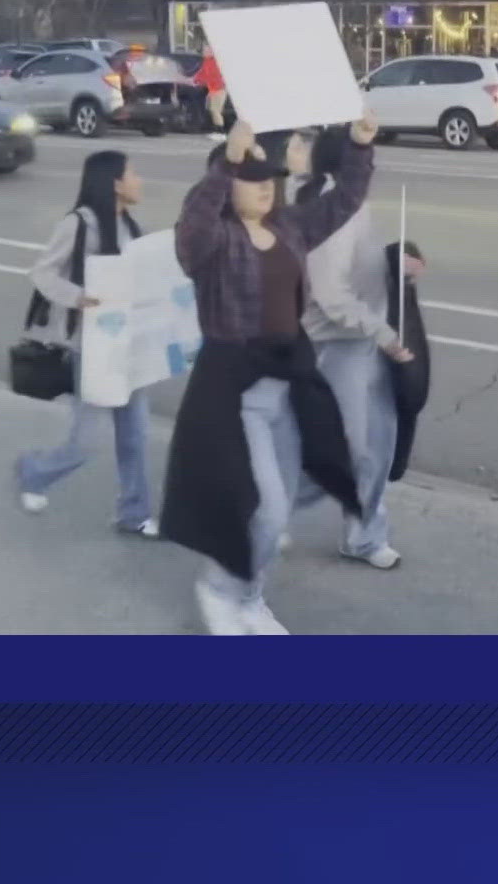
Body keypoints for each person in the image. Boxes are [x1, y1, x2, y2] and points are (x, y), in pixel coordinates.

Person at [162, 117, 377, 635]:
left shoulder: (290, 225)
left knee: (287, 504)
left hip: (290, 378)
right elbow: (192, 225)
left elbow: (345, 198)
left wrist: (359, 146)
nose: (264, 185)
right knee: (266, 510)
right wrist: (224, 163)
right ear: (229, 182)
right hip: (235, 388)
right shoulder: (212, 242)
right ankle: (219, 587)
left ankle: (250, 597)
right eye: (250, 177)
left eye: (269, 178)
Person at [12, 150, 158, 538]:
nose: (139, 180)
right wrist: (80, 297)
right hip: (92, 349)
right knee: (87, 442)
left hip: (128, 347)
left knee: (135, 437)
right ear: (114, 181)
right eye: (133, 172)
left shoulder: (129, 225)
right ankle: (33, 471)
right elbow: (42, 273)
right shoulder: (78, 225)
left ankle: (134, 513)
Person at [293, 125, 421, 569]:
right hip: (339, 345)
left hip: (358, 340)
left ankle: (362, 535)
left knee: (371, 445)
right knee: (350, 447)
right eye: (364, 154)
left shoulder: (348, 202)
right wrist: (382, 333)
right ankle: (262, 512)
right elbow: (329, 291)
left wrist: (393, 261)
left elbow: (355, 263)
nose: (373, 163)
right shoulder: (332, 206)